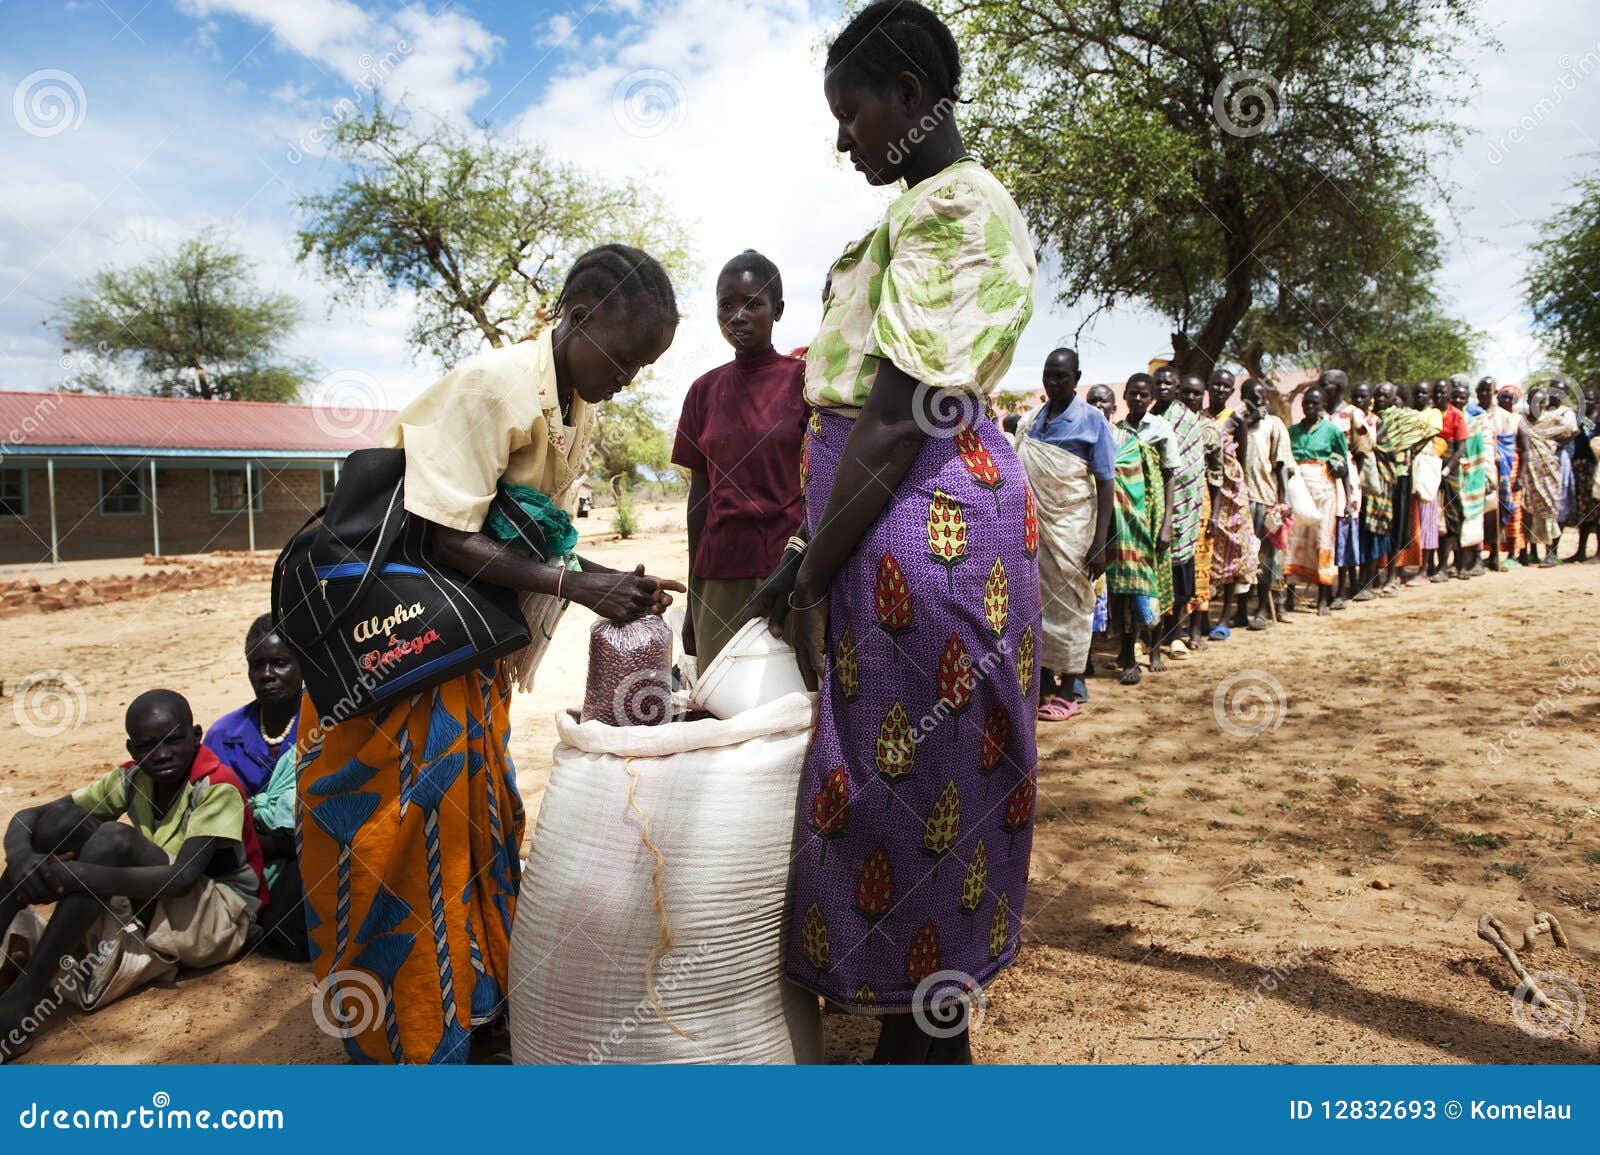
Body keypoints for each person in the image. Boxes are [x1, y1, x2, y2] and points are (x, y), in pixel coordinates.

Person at [298, 245, 686, 1065]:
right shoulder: (496, 387)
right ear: (576, 318)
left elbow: (528, 528)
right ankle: (406, 1031)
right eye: (625, 355)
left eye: (644, 364)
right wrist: (580, 588)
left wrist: (604, 577)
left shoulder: (575, 402)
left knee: (477, 827)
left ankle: (472, 1001)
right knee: (399, 836)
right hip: (398, 658)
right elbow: (446, 535)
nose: (629, 375)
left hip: (463, 656)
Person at [754, 1, 1040, 1066]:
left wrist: (811, 573)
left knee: (917, 777)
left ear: (910, 99)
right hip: (882, 515)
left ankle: (929, 1045)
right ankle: (909, 1031)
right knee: (882, 777)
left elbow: (896, 409)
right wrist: (806, 551)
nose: (842, 138)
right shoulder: (904, 216)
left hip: (924, 525)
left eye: (852, 111)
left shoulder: (959, 209)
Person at [0, 690, 266, 1055]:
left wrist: (74, 874)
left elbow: (182, 879)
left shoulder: (216, 786)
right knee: (58, 824)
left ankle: (22, 999)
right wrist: (23, 860)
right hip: (167, 903)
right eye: (147, 746)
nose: (162, 755)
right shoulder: (132, 778)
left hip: (223, 920)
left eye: (173, 740)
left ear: (196, 735)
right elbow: (30, 818)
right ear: (132, 749)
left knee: (113, 841)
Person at [673, 249, 807, 669]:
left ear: (778, 310)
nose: (738, 315)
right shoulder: (703, 391)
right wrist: (696, 596)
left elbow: (826, 483)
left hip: (787, 570)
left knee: (791, 705)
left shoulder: (805, 382)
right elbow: (700, 497)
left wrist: (803, 566)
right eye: (726, 305)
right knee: (721, 706)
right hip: (719, 573)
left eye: (753, 303)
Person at [1016, 348, 1115, 718]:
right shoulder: (1031, 420)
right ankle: (1042, 681)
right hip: (1034, 531)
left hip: (1073, 528)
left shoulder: (1092, 422)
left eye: (1061, 376)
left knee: (1072, 601)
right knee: (1036, 601)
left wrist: (1100, 543)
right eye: (1048, 375)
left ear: (1077, 377)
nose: (1053, 383)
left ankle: (1072, 687)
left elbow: (1106, 484)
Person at [1108, 373, 1175, 680]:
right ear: (1125, 396)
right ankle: (1126, 650)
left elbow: (1170, 475)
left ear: (1152, 399)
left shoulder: (1161, 429)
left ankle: (1156, 647)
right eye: (1132, 394)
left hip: (1153, 511)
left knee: (1153, 584)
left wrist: (1166, 523)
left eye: (1143, 395)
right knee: (1125, 584)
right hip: (1125, 514)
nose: (1137, 399)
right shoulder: (1117, 431)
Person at [204, 614, 301, 796]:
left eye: (279, 663)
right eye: (257, 665)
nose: (266, 675)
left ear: (303, 664)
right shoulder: (224, 737)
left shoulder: (326, 726)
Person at [1150, 371, 1205, 658]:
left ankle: (1177, 634)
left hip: (1181, 505)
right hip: (1151, 504)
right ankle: (1152, 633)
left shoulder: (1186, 420)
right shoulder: (1148, 415)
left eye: (1168, 384)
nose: (1162, 387)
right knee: (1156, 572)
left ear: (1177, 388)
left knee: (1181, 572)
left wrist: (1172, 515)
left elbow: (1191, 467)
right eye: (1157, 383)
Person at [1286, 388, 1351, 615]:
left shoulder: (1332, 431)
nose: (1309, 407)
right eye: (1306, 403)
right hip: (1298, 490)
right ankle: (1290, 597)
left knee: (1324, 539)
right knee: (1295, 538)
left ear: (1322, 405)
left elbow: (1345, 467)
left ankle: (1324, 596)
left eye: (1315, 403)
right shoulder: (1292, 431)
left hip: (1324, 490)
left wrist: (1349, 501)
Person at [1237, 377, 1293, 627]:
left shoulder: (1274, 424)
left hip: (1266, 497)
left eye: (1262, 396)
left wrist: (1285, 498)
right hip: (1239, 500)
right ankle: (1239, 610)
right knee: (1241, 557)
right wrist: (1247, 422)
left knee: (1267, 557)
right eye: (1252, 396)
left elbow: (1282, 464)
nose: (1258, 401)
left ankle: (1262, 609)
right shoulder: (1238, 424)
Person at [1206, 398, 1259, 634]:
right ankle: (1203, 617)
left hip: (1232, 493)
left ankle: (1225, 617)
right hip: (1207, 489)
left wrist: (1240, 487)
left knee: (1232, 554)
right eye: (1216, 385)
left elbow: (1242, 457)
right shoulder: (1201, 418)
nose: (1220, 390)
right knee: (1207, 555)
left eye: (1226, 386)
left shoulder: (1236, 419)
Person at [1181, 375, 1222, 647]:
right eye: (1186, 393)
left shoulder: (1210, 427)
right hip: (1176, 501)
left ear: (1203, 394)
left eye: (1197, 393)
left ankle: (1196, 628)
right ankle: (1173, 629)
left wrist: (1215, 514)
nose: (1191, 398)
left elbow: (1217, 474)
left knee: (1200, 565)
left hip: (1202, 500)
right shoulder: (1170, 423)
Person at [1524, 385, 1578, 566]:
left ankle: (1551, 553)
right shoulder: (1523, 421)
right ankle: (1531, 552)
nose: (1538, 406)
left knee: (1550, 508)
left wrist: (1556, 444)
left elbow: (1574, 431)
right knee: (1529, 510)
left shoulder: (1552, 419)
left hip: (1549, 471)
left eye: (1541, 402)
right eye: (1534, 402)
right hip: (1529, 473)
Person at [1490, 386, 1531, 571]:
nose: (1506, 400)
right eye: (1503, 397)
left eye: (1510, 398)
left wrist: (1521, 476)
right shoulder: (1491, 416)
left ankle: (1513, 553)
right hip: (1493, 468)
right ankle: (1493, 553)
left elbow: (1525, 450)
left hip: (1512, 469)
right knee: (1493, 512)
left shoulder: (1518, 420)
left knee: (1513, 513)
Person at [1433, 378, 1469, 579]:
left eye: (1443, 392)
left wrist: (1446, 470)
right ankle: (1440, 567)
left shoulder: (1456, 416)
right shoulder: (1430, 415)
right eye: (1436, 392)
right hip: (1431, 466)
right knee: (1436, 518)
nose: (1439, 396)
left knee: (1454, 516)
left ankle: (1461, 564)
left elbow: (1461, 447)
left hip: (1450, 469)